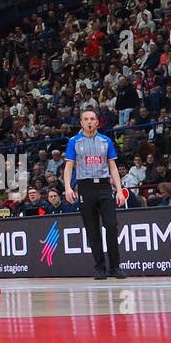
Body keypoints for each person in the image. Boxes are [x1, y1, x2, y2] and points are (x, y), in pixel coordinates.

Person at [63, 108, 127, 279]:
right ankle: (100, 267)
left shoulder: (106, 141)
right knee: (92, 230)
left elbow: (113, 167)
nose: (89, 122)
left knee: (111, 225)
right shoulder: (74, 142)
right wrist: (68, 187)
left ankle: (115, 267)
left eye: (92, 118)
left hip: (105, 187)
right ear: (81, 122)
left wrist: (119, 190)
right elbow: (68, 167)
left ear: (98, 122)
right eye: (86, 119)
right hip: (85, 187)